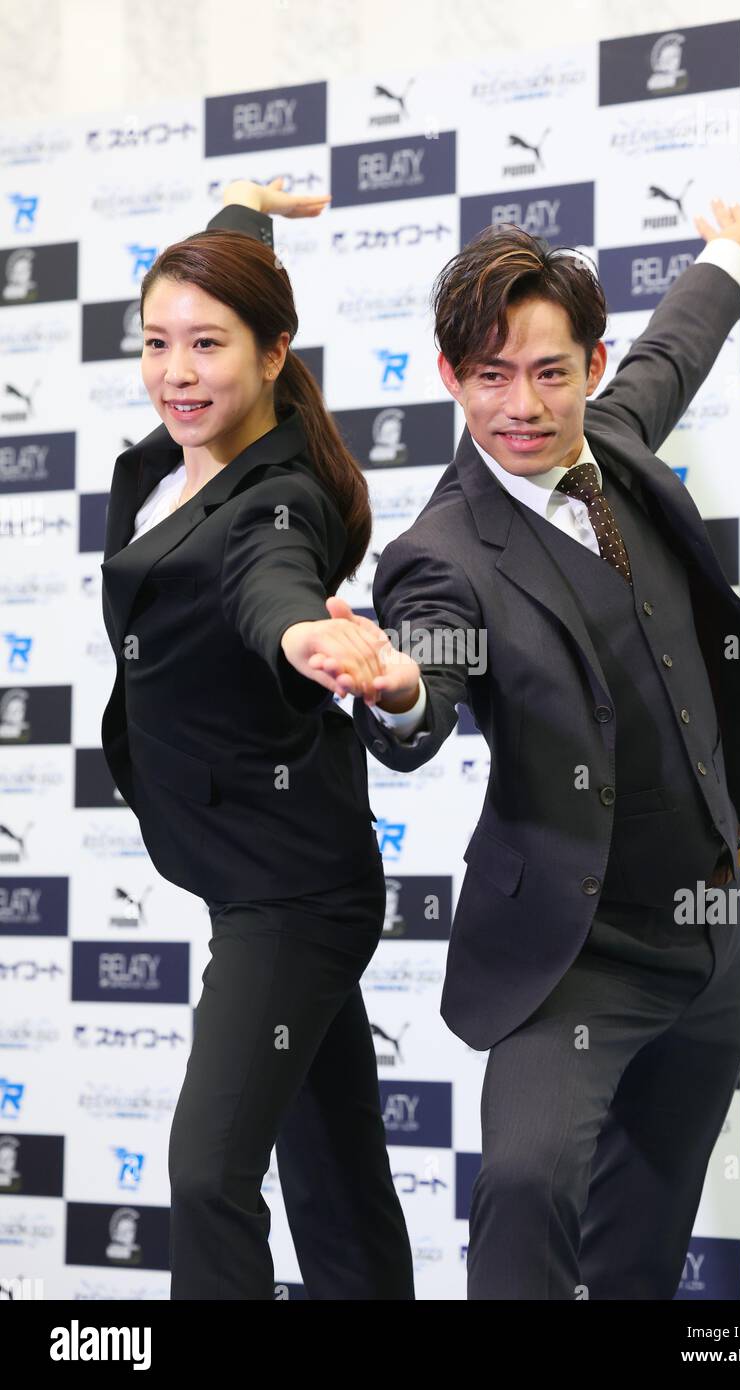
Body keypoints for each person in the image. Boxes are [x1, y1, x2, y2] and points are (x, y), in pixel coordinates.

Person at [311, 200, 740, 1298]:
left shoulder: (614, 438)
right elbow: (427, 677)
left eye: (547, 372)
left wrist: (733, 247)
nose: (521, 407)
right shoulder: (439, 553)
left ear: (589, 364)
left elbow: (677, 340)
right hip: (576, 951)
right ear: (449, 375)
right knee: (529, 1187)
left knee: (640, 1235)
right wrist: (398, 690)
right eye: (489, 376)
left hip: (709, 928)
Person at [100, 178, 413, 1300]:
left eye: (208, 346)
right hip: (260, 860)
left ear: (276, 352)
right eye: (156, 344)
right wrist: (241, 209)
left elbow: (267, 582)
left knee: (207, 1174)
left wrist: (304, 641)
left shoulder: (281, 497)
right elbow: (229, 277)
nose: (177, 372)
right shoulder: (169, 458)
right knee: (335, 1174)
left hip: (291, 891)